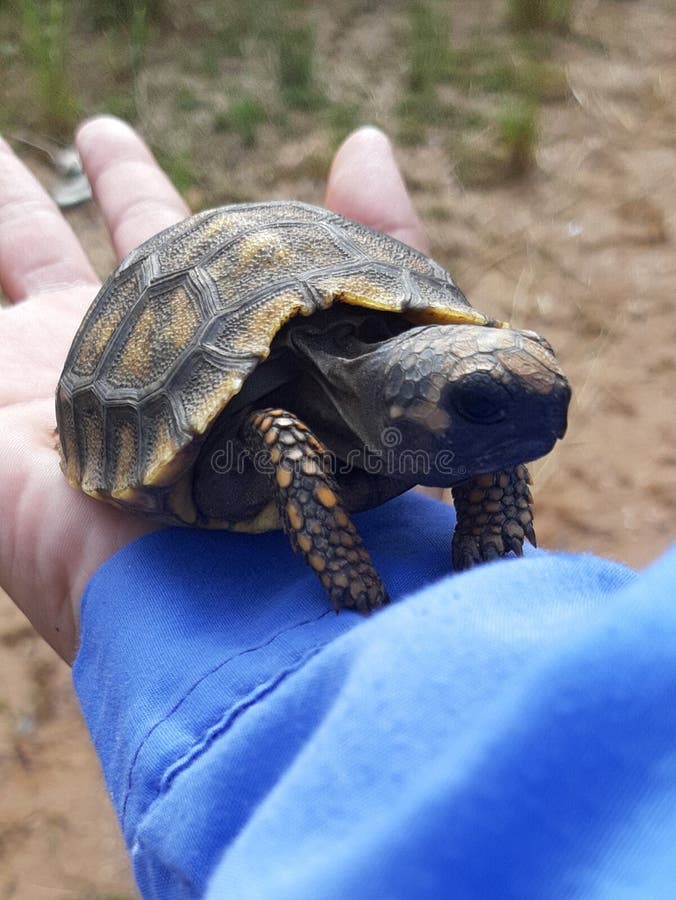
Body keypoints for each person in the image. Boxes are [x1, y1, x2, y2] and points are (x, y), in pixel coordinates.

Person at [0, 117, 674, 899]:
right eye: (477, 402)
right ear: (408, 397)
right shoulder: (281, 425)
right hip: (253, 416)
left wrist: (484, 536)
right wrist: (351, 579)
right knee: (281, 429)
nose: (546, 414)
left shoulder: (419, 397)